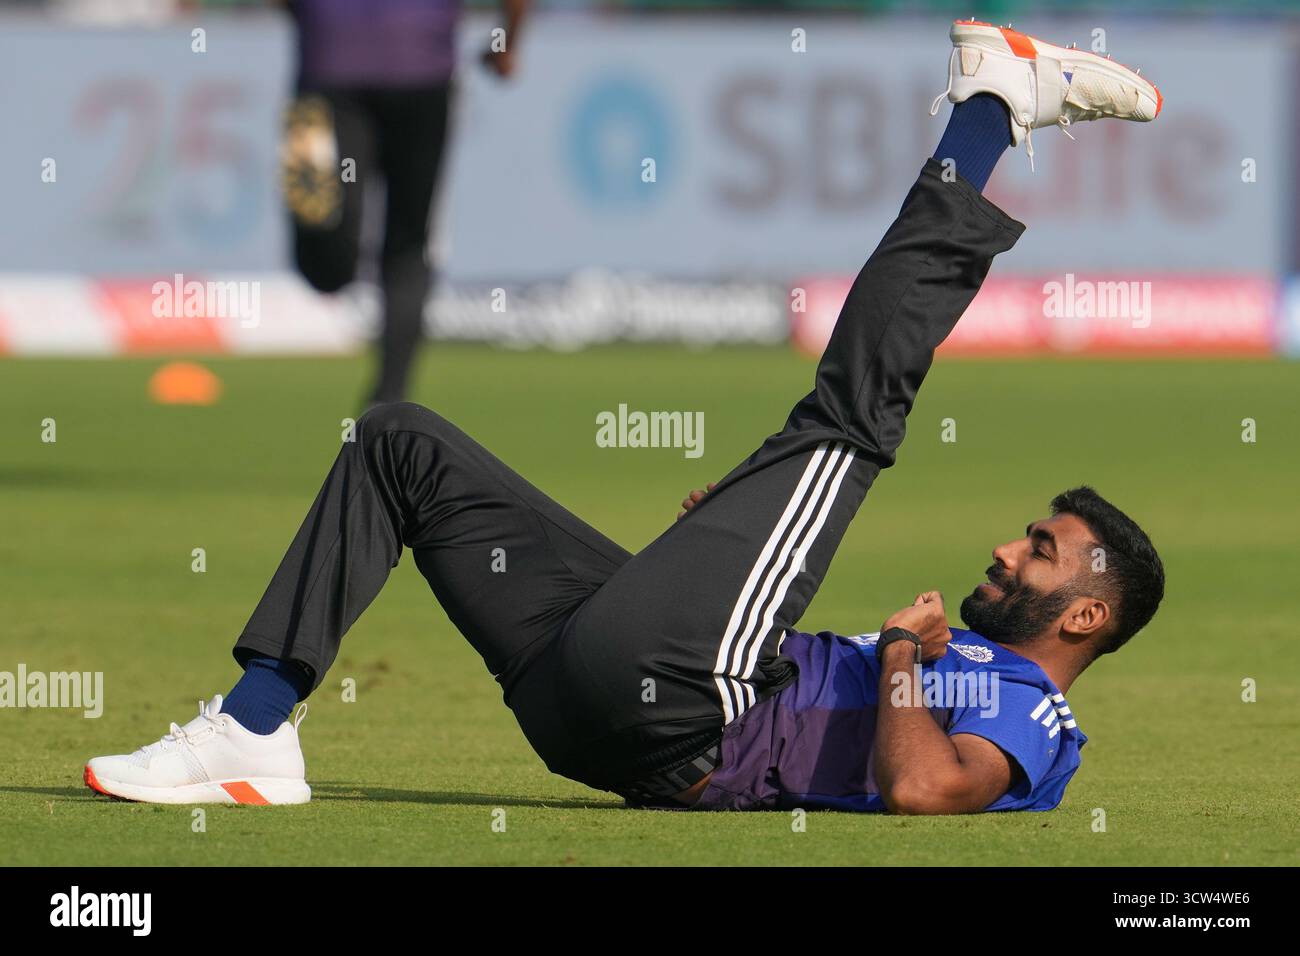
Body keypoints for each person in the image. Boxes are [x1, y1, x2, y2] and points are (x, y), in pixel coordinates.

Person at [86, 21, 1164, 813]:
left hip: (687, 717)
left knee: (848, 417)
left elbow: (925, 787)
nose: (1005, 547)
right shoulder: (967, 662)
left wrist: (890, 649)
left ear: (1082, 617)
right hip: (596, 687)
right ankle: (253, 728)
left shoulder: (1035, 713)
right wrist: (716, 554)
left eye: (1040, 551)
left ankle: (991, 109)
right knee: (396, 441)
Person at [282, 0, 531, 406]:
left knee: (403, 237)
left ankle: (388, 399)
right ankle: (387, 392)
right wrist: (507, 43)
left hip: (360, 65)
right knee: (396, 243)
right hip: (391, 65)